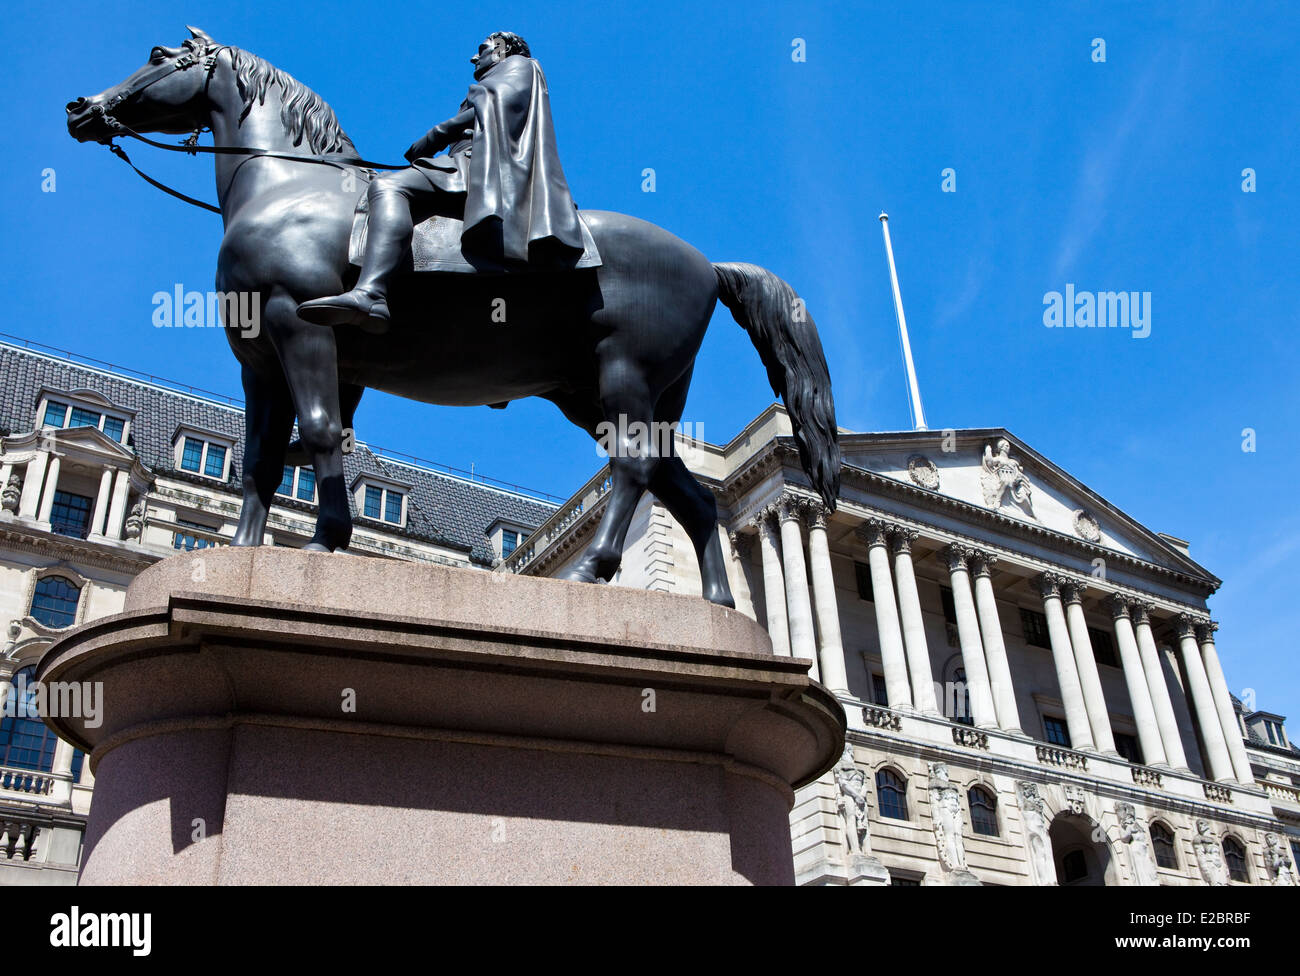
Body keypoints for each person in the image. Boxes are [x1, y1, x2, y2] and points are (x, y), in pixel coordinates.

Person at [299, 31, 584, 332]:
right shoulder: (500, 77)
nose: (475, 57)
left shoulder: (520, 65)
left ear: (502, 49)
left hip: (479, 165)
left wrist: (434, 136)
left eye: (483, 49)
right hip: (468, 162)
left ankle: (371, 293)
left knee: (388, 186)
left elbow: (497, 107)